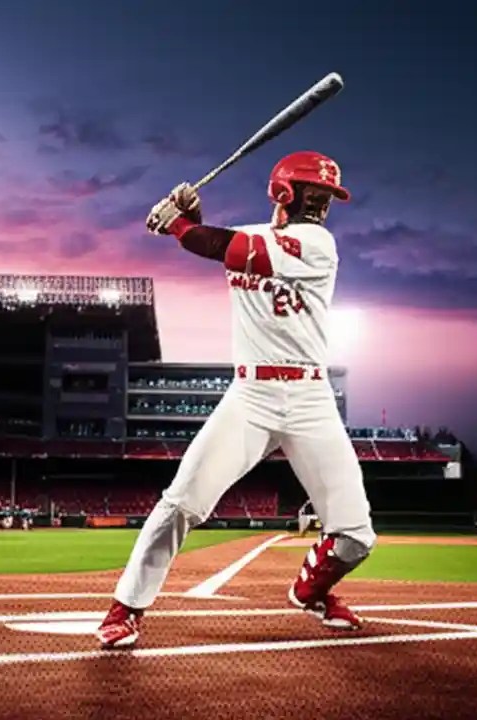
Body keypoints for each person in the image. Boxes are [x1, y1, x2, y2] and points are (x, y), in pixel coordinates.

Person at [96, 151, 377, 649]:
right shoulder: (253, 237)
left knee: (357, 535)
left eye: (329, 197)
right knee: (182, 501)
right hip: (252, 396)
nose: (325, 205)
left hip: (311, 398)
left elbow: (227, 248)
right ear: (285, 192)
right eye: (317, 193)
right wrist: (190, 221)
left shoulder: (320, 244)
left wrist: (179, 225)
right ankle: (126, 607)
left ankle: (312, 590)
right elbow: (223, 243)